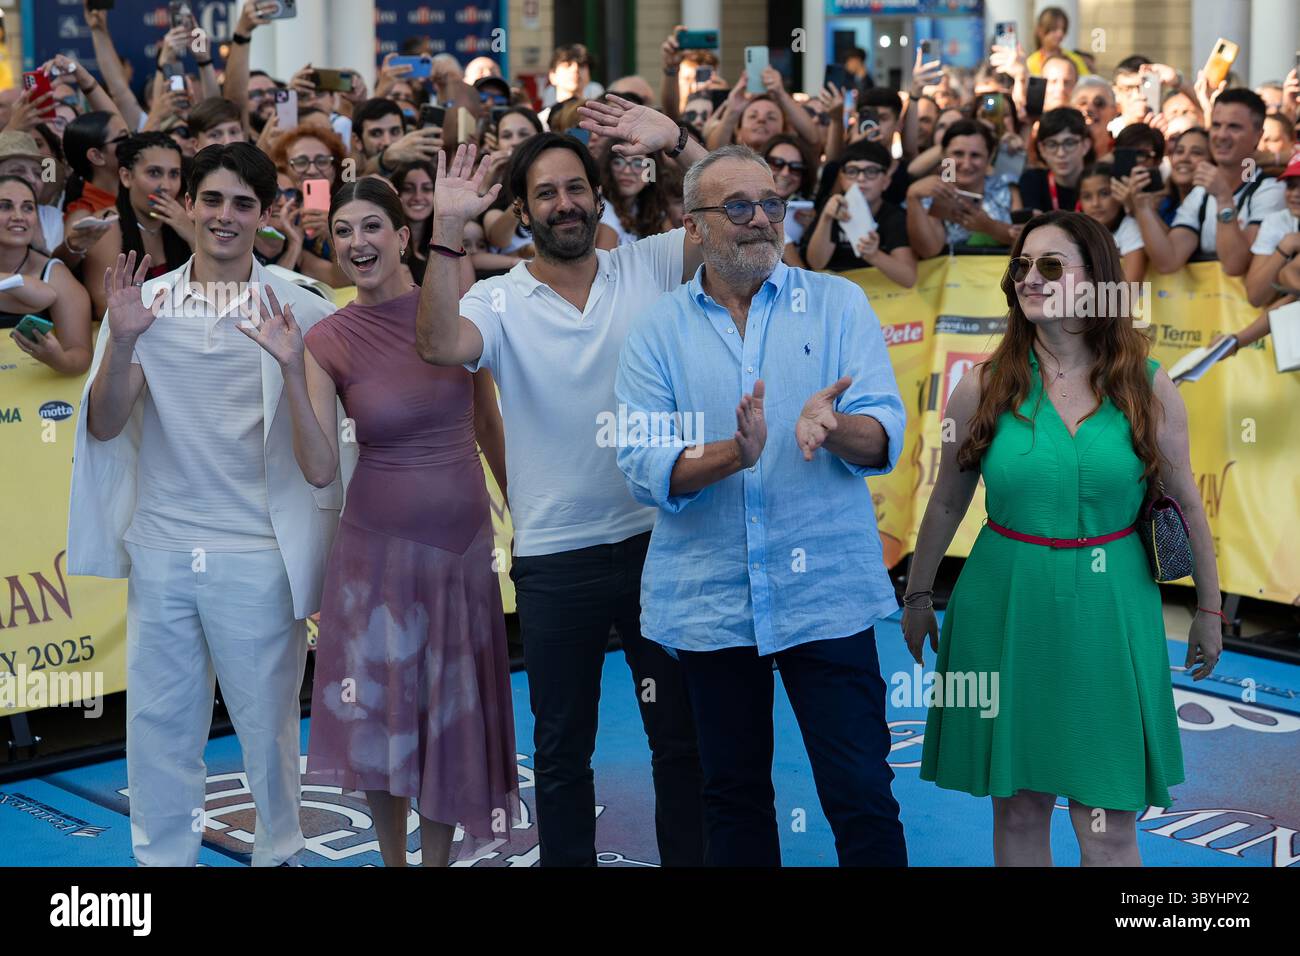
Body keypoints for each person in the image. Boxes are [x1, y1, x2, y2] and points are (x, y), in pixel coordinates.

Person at [414, 96, 711, 867]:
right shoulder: (496, 298)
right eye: (545, 193)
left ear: (599, 194)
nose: (564, 203)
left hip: (659, 543)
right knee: (561, 749)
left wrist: (678, 142)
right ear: (521, 212)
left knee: (680, 738)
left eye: (576, 187)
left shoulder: (647, 265)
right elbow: (439, 344)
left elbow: (731, 218)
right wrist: (446, 229)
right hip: (554, 555)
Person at [613, 143, 908, 867]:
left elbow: (883, 434)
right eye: (738, 206)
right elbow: (643, 464)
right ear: (693, 226)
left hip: (826, 595)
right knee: (734, 796)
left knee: (862, 792)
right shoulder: (656, 331)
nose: (760, 220)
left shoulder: (838, 304)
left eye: (771, 204)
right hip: (711, 601)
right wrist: (732, 456)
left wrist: (836, 427)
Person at [902, 210, 1224, 866]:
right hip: (1004, 606)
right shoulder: (983, 386)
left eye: (1050, 265)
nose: (1030, 278)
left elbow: (1188, 504)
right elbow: (946, 502)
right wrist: (916, 595)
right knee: (1019, 808)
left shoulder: (1148, 386)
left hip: (1112, 612)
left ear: (1097, 279)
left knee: (1107, 822)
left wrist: (1210, 610)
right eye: (1022, 265)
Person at [68, 142, 347, 867]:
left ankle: (279, 852)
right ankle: (162, 861)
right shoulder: (144, 305)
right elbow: (104, 425)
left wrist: (292, 363)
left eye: (243, 204)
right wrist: (121, 341)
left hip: (260, 554)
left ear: (266, 214)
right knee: (159, 726)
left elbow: (323, 458)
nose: (225, 216)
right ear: (187, 205)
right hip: (162, 549)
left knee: (268, 730)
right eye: (213, 200)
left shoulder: (301, 308)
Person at [237, 175, 518, 866]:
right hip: (375, 557)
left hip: (462, 552)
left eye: (370, 227)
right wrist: (289, 367)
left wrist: (524, 512)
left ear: (402, 235)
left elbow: (488, 422)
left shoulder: (455, 312)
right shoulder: (326, 338)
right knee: (380, 720)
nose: (356, 243)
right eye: (342, 231)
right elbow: (319, 469)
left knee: (450, 715)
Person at [1144, 89, 1285, 275]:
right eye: (1216, 125)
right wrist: (1141, 208)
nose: (1222, 135)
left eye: (1234, 127)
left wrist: (1224, 200)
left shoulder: (1270, 191)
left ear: (1258, 136)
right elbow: (1168, 261)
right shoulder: (1200, 194)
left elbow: (1235, 265)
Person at [84, 133, 194, 318]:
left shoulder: (187, 218)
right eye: (154, 173)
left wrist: (192, 235)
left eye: (174, 174)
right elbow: (107, 307)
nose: (166, 185)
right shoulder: (107, 225)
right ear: (126, 176)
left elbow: (216, 286)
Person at [1, 176, 93, 374]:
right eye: (5, 206)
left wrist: (58, 360)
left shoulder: (54, 273)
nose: (18, 216)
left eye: (28, 208)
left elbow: (80, 355)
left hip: (32, 390)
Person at [804, 141, 916, 286]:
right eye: (852, 171)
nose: (861, 178)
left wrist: (874, 255)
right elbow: (816, 263)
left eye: (871, 171)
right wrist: (826, 219)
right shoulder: (832, 208)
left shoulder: (894, 216)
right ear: (841, 179)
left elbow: (909, 278)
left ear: (886, 182)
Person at [907, 119, 1021, 256]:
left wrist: (990, 227)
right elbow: (929, 250)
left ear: (990, 157)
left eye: (975, 155)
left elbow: (1026, 240)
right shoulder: (929, 193)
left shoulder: (1006, 189)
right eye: (958, 154)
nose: (966, 164)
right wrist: (913, 198)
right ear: (943, 155)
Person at [271, 124, 349, 285]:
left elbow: (343, 284)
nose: (312, 170)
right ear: (283, 168)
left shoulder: (351, 210)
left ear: (335, 169)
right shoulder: (273, 213)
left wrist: (334, 236)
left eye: (322, 161)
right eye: (301, 162)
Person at [1243, 153, 1300, 307]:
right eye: (1291, 185)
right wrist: (1286, 246)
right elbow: (1256, 297)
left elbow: (1288, 277)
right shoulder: (1277, 220)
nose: (1296, 194)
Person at [1077, 161, 1146, 282]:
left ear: (1119, 194)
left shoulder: (1130, 227)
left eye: (1104, 193)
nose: (1095, 203)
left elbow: (1130, 288)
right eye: (1087, 196)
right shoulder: (1078, 233)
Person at [1019, 108, 1091, 214]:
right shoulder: (1032, 182)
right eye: (1052, 144)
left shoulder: (1099, 182)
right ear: (1041, 149)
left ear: (1085, 145)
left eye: (1069, 143)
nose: (1061, 153)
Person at [64, 110, 130, 225]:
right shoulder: (84, 216)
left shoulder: (139, 191)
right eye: (124, 138)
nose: (133, 142)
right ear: (97, 156)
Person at [760, 134, 817, 265]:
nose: (785, 173)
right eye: (776, 163)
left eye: (796, 168)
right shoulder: (742, 205)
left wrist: (811, 231)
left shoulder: (806, 208)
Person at [598, 148, 673, 245]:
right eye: (618, 162)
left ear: (651, 173)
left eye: (638, 164)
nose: (627, 171)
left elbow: (676, 246)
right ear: (608, 169)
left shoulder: (651, 209)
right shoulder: (602, 207)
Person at [1025, 8, 1088, 78]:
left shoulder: (1075, 60)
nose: (1060, 34)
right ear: (1040, 30)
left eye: (1063, 29)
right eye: (1054, 29)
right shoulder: (1031, 63)